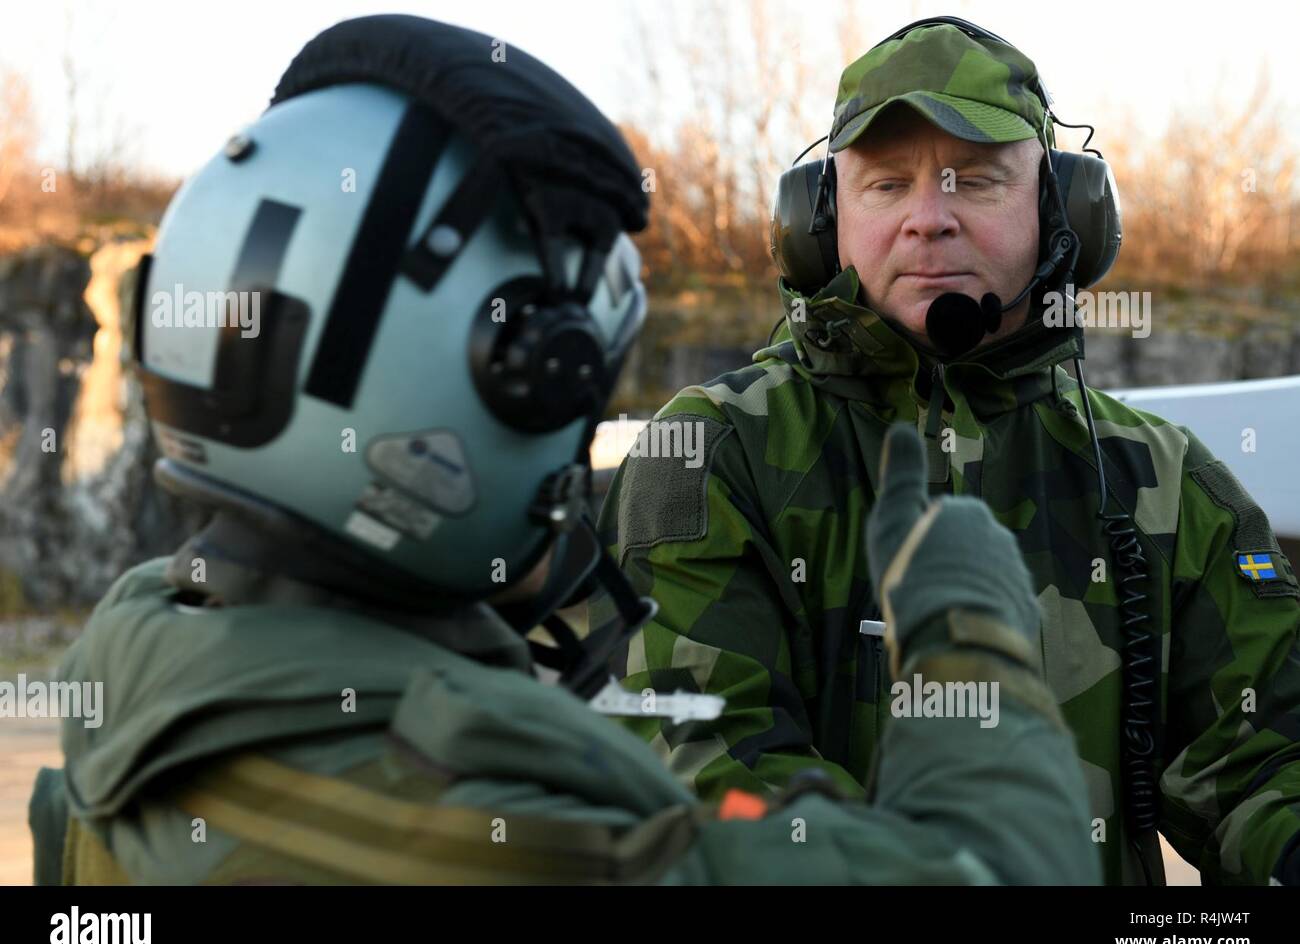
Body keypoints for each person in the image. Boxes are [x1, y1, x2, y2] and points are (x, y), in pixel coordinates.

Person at [28, 14, 1097, 885]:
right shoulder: (513, 825)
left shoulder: (129, 695)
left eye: (975, 178)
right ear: (483, 391)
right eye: (575, 395)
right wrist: (967, 635)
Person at [594, 16, 1300, 885]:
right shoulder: (705, 454)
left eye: (976, 182)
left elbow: (1267, 762)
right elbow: (701, 777)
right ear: (821, 223)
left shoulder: (1165, 479)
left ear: (1063, 212)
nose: (929, 221)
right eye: (887, 185)